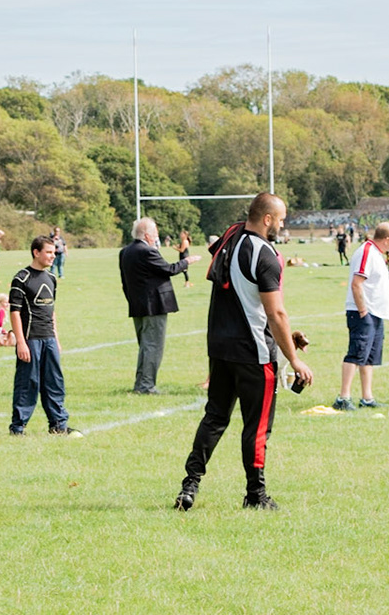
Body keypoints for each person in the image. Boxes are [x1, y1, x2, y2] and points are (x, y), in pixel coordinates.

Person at [174, 194, 310, 513]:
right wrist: (294, 358)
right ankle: (255, 495)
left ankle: (189, 484)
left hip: (220, 348)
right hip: (254, 354)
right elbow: (274, 313)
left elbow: (242, 298)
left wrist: (287, 340)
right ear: (266, 219)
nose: (282, 225)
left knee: (215, 418)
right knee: (257, 426)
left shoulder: (230, 237)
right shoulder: (266, 254)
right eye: (281, 219)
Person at [9, 234, 80, 437]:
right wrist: (21, 342)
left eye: (54, 252)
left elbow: (52, 311)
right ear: (36, 252)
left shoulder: (51, 278)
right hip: (30, 339)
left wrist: (56, 339)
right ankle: (18, 426)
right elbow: (14, 312)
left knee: (54, 382)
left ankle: (58, 423)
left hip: (48, 338)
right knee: (28, 382)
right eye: (48, 252)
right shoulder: (21, 278)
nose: (52, 256)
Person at [119, 217, 196, 394]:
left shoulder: (125, 251)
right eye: (154, 234)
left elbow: (125, 281)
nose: (155, 237)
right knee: (153, 345)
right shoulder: (147, 251)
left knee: (145, 346)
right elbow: (169, 269)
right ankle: (146, 386)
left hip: (137, 304)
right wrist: (187, 261)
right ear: (146, 235)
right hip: (154, 305)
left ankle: (141, 383)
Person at [336, 222, 389, 410]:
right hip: (364, 312)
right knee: (356, 352)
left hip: (376, 313)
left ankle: (367, 397)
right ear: (387, 239)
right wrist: (363, 310)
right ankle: (343, 397)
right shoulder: (367, 252)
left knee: (369, 356)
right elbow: (357, 283)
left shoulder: (377, 254)